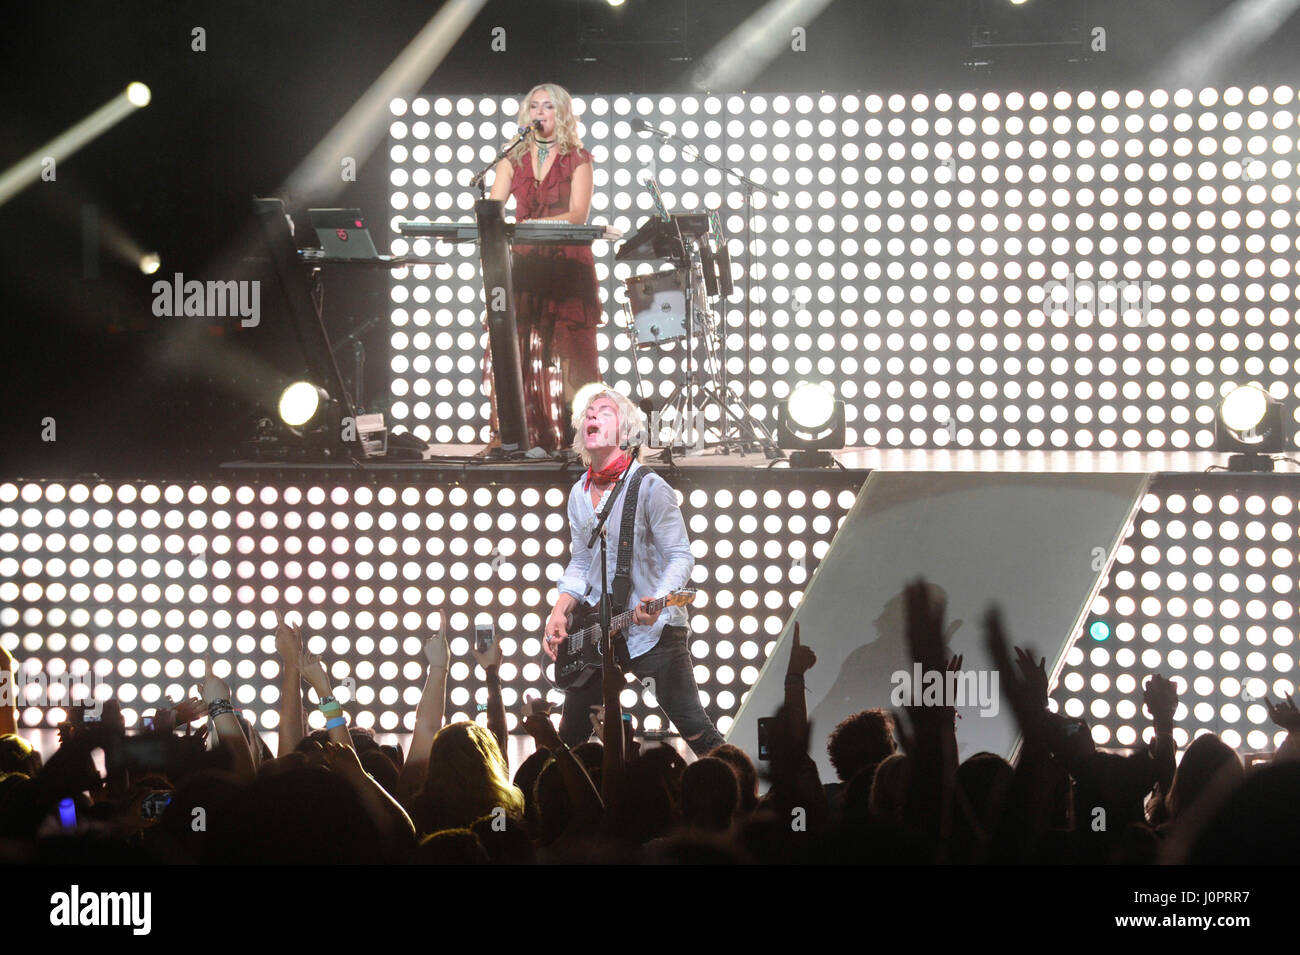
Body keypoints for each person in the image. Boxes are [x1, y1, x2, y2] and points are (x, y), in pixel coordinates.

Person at [543, 387, 725, 756]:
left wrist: (657, 598)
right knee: (570, 739)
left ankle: (741, 795)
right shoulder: (578, 493)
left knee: (695, 729)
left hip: (651, 631)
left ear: (626, 433)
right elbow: (582, 562)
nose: (593, 416)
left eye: (605, 412)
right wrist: (559, 609)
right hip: (597, 631)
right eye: (589, 413)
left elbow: (680, 556)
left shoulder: (651, 487)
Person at [483, 83, 602, 453]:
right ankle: (509, 436)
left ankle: (580, 439)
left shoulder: (578, 158)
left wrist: (534, 228)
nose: (539, 113)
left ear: (561, 114)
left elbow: (578, 214)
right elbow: (494, 207)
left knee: (572, 354)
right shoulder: (511, 157)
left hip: (566, 265)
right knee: (511, 348)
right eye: (534, 106)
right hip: (526, 265)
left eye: (548, 107)